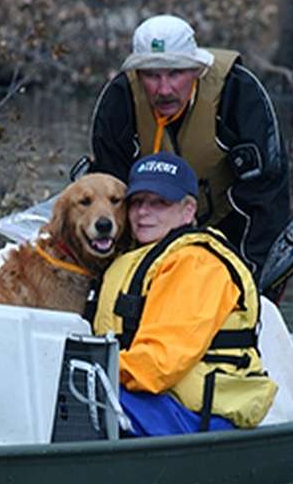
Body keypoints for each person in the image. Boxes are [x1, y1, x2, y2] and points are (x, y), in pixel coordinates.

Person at [87, 14, 289, 278]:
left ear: (197, 70)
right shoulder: (120, 101)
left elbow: (267, 194)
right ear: (137, 74)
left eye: (175, 73)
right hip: (147, 230)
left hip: (228, 227)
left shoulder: (238, 93)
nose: (164, 89)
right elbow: (109, 192)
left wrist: (256, 277)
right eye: (151, 75)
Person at [93, 152, 277, 436]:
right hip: (154, 400)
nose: (143, 212)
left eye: (159, 203)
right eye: (137, 202)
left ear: (188, 210)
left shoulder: (198, 264)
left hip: (195, 417)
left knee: (75, 397)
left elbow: (157, 365)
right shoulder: (139, 257)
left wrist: (84, 371)